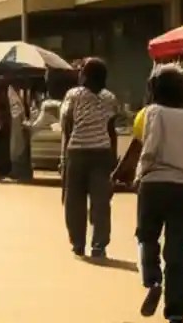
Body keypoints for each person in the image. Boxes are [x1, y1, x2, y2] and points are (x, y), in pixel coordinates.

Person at [135, 66, 183, 323]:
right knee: (177, 250)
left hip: (154, 184)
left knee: (147, 237)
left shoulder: (153, 113)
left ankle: (153, 280)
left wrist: (139, 174)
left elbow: (149, 147)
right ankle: (177, 311)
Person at [62, 57, 119, 258]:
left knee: (74, 201)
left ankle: (78, 243)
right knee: (101, 201)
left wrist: (64, 157)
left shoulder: (72, 95)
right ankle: (99, 244)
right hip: (102, 153)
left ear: (85, 76)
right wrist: (114, 158)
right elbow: (111, 130)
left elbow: (67, 126)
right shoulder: (110, 98)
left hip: (77, 153)